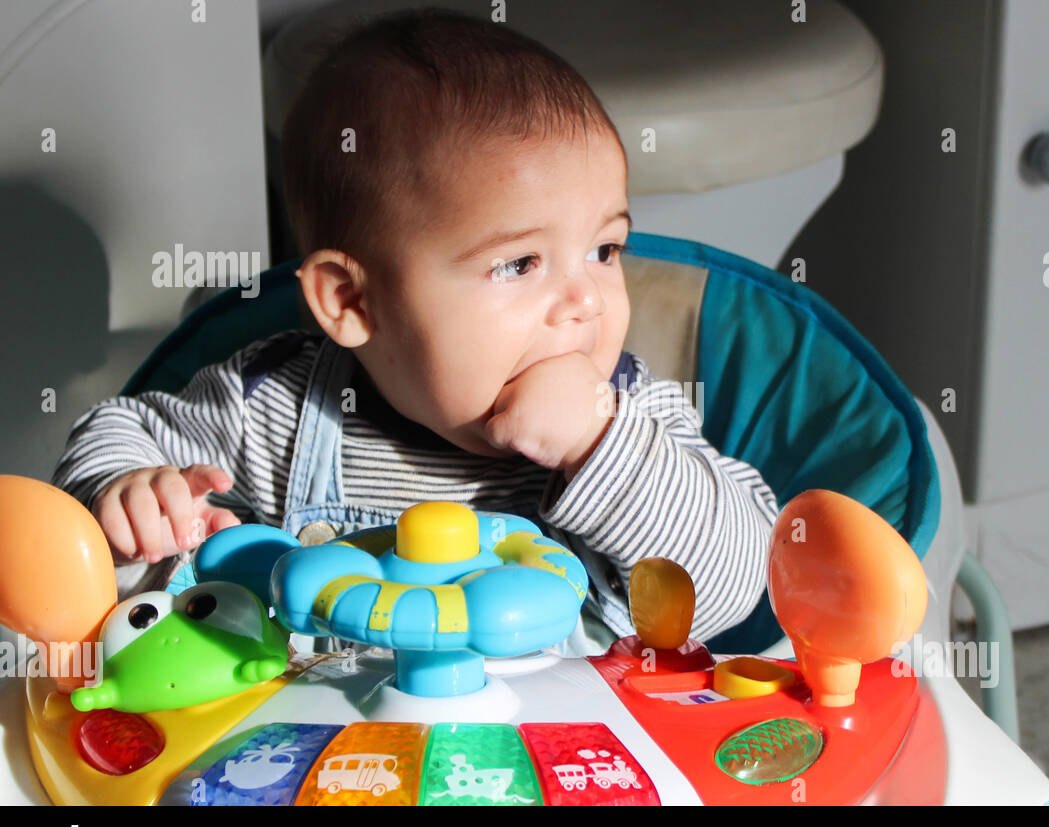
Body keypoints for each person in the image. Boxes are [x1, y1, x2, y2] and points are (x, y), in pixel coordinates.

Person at [51, 9, 779, 655]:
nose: (584, 300)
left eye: (605, 250)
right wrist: (127, 494)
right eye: (519, 262)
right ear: (350, 301)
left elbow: (731, 588)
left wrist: (599, 448)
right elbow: (120, 428)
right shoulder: (270, 405)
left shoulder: (630, 418)